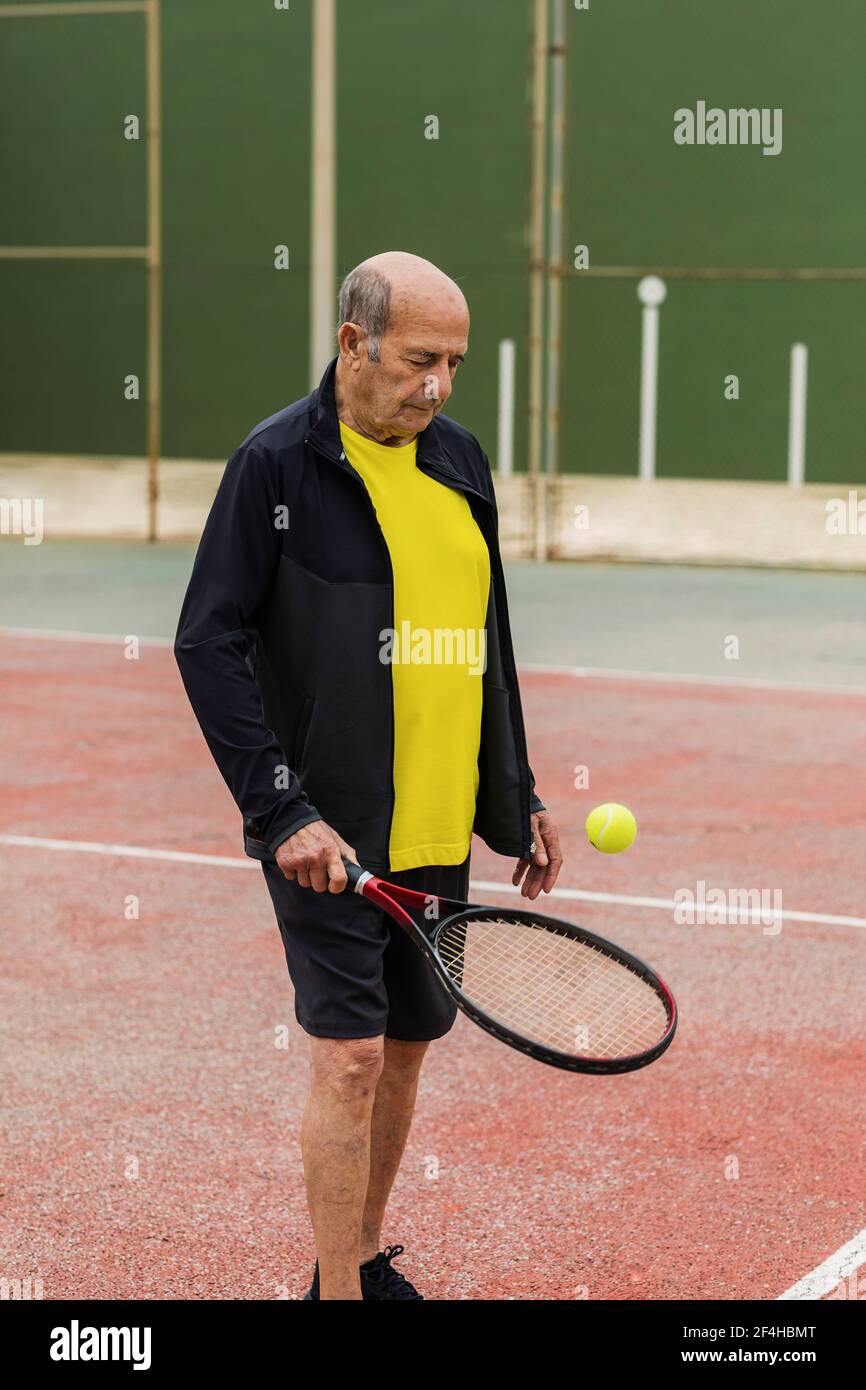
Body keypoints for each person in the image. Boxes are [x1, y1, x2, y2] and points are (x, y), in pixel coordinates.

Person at [175, 250, 562, 1300]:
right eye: (419, 359)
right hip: (329, 833)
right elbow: (205, 640)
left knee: (403, 1046)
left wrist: (514, 788)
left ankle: (351, 1261)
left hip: (436, 822)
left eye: (455, 364)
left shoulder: (460, 461)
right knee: (346, 1054)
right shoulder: (277, 467)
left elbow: (485, 632)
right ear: (354, 343)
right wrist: (277, 808)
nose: (436, 385)